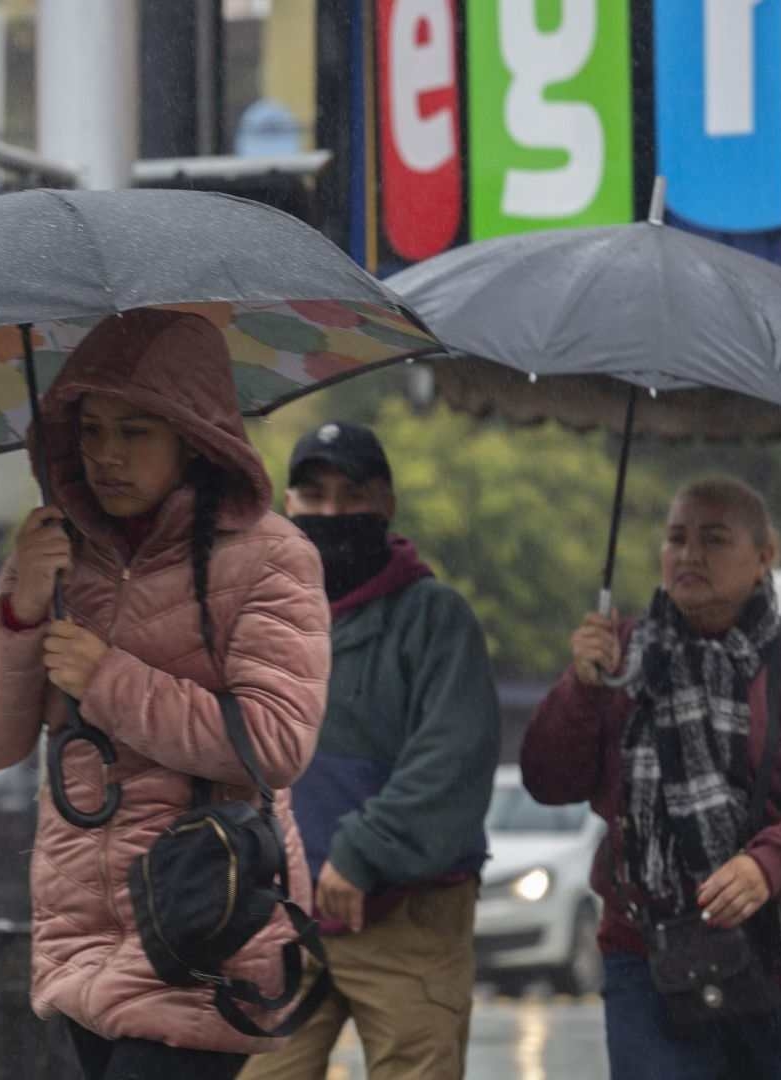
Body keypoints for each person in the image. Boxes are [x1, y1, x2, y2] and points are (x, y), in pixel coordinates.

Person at [0, 309, 332, 1080]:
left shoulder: (269, 556)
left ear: (194, 436)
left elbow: (276, 743)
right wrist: (21, 608)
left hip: (198, 926)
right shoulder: (55, 552)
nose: (106, 457)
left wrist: (108, 679)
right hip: (76, 938)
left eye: (134, 432)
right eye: (90, 432)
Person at [520, 477, 781, 1080]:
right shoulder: (623, 653)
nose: (688, 555)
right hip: (648, 952)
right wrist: (581, 686)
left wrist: (769, 864)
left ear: (764, 558)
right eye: (676, 538)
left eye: (713, 539)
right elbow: (549, 779)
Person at [240, 421, 500, 1080]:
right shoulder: (258, 618)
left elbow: (452, 759)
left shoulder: (435, 617)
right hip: (277, 919)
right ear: (287, 506)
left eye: (352, 494)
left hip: (408, 920)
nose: (331, 512)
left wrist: (360, 854)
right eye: (313, 495)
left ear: (386, 503)